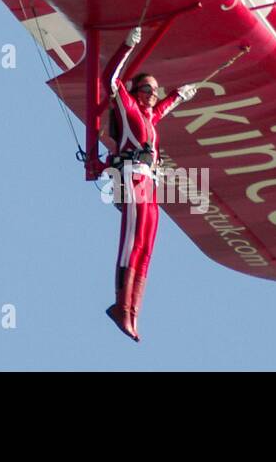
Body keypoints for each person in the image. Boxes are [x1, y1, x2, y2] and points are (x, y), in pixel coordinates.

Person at [99, 26, 197, 341]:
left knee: (147, 241)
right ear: (138, 89)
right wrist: (127, 46)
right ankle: (120, 304)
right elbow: (109, 80)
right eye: (148, 89)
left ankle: (133, 311)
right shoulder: (127, 109)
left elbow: (163, 107)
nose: (153, 95)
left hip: (148, 181)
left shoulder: (150, 118)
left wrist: (180, 95)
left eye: (155, 90)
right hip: (132, 176)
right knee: (131, 242)